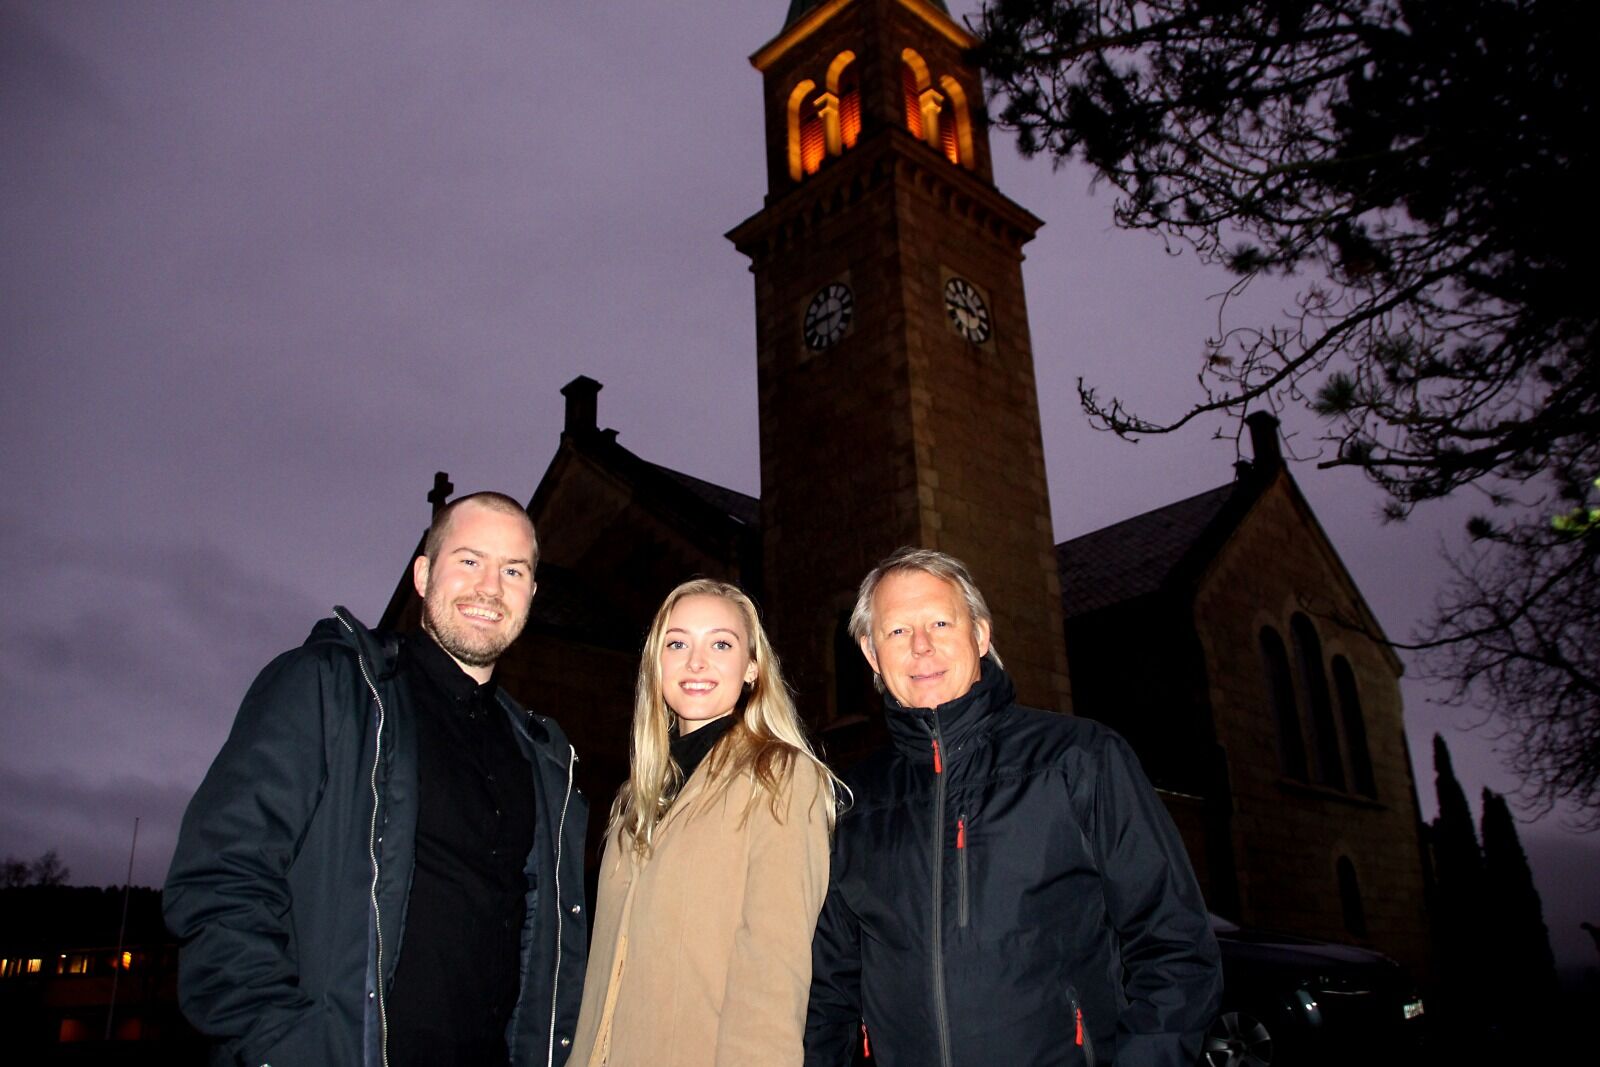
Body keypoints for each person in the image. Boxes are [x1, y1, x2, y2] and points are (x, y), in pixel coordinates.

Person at [164, 492, 588, 1067]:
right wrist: (282, 1046)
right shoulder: (330, 689)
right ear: (423, 575)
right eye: (469, 560)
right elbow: (222, 878)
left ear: (531, 594)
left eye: (512, 571)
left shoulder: (540, 758)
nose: (490, 587)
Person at [804, 548, 1221, 1067]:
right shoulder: (851, 802)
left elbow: (1175, 944)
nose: (921, 646)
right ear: (871, 654)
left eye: (940, 622)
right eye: (897, 631)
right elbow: (828, 992)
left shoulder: (1079, 759)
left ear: (980, 635)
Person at [569, 579, 842, 1067]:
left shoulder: (779, 776)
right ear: (656, 664)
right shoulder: (636, 798)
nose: (696, 662)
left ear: (752, 668)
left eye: (721, 644)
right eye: (677, 644)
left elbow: (774, 967)